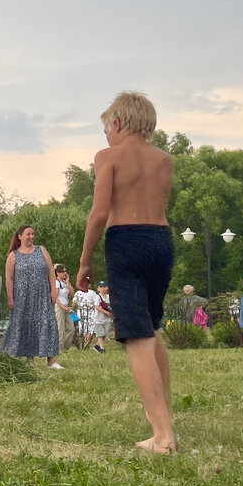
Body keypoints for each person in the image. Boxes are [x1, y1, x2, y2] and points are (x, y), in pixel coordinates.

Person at [77, 91, 177, 454]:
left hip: (127, 241)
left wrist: (85, 260)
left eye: (106, 129)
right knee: (149, 328)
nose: (105, 136)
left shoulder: (108, 156)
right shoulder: (164, 160)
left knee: (136, 336)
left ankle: (163, 436)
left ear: (117, 123)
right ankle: (164, 418)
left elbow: (99, 213)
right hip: (161, 240)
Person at [2, 225, 61, 368]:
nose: (31, 237)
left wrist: (53, 291)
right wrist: (10, 298)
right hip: (22, 297)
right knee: (26, 325)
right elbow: (9, 278)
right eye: (28, 234)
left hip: (42, 295)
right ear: (20, 236)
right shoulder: (13, 255)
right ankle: (29, 360)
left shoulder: (42, 250)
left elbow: (51, 272)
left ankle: (51, 360)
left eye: (33, 234)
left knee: (47, 323)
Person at [52, 264, 76, 353]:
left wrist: (68, 282)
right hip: (59, 307)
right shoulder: (56, 282)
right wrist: (63, 307)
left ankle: (65, 347)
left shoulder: (65, 283)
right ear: (58, 273)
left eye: (65, 271)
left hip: (66, 307)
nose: (65, 273)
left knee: (71, 328)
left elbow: (72, 293)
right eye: (63, 272)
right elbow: (55, 297)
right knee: (60, 328)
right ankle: (59, 348)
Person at [72, 278, 99, 349]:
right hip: (81, 311)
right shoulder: (78, 293)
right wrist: (71, 309)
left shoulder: (92, 293)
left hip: (90, 312)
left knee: (90, 328)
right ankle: (82, 344)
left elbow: (96, 303)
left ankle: (87, 343)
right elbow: (74, 302)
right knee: (81, 327)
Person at [92, 281, 114, 353]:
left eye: (104, 286)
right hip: (98, 319)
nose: (103, 288)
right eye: (101, 287)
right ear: (98, 288)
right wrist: (106, 312)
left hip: (107, 319)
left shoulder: (109, 297)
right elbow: (97, 307)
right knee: (100, 334)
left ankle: (97, 346)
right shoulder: (97, 297)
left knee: (106, 333)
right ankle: (102, 349)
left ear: (107, 287)